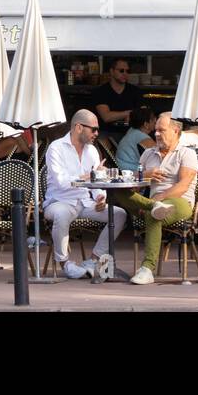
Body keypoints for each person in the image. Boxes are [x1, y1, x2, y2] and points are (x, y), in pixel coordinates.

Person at [115, 113, 198, 285]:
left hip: (180, 203)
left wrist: (159, 197)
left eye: (162, 130)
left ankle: (147, 268)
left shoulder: (186, 153)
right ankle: (153, 206)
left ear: (176, 131)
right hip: (153, 203)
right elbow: (136, 186)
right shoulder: (148, 154)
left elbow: (183, 186)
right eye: (156, 130)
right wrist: (144, 176)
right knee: (116, 191)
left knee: (153, 214)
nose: (156, 134)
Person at [43, 109, 126, 279]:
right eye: (93, 129)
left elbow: (95, 185)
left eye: (97, 129)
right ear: (79, 127)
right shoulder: (56, 148)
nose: (97, 133)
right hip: (59, 201)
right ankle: (65, 263)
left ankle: (94, 259)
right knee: (61, 214)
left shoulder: (92, 151)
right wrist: (91, 175)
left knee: (119, 214)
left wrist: (99, 197)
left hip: (86, 202)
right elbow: (62, 182)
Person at [91, 58, 141, 137]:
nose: (125, 73)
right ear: (112, 71)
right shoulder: (101, 91)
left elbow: (140, 114)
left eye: (127, 71)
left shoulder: (135, 91)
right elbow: (106, 117)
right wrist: (128, 113)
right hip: (107, 133)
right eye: (121, 70)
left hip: (129, 133)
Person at [115, 106, 156, 172]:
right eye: (153, 119)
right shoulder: (141, 137)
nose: (155, 121)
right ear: (146, 124)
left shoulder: (132, 131)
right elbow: (158, 154)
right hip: (130, 171)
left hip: (123, 168)